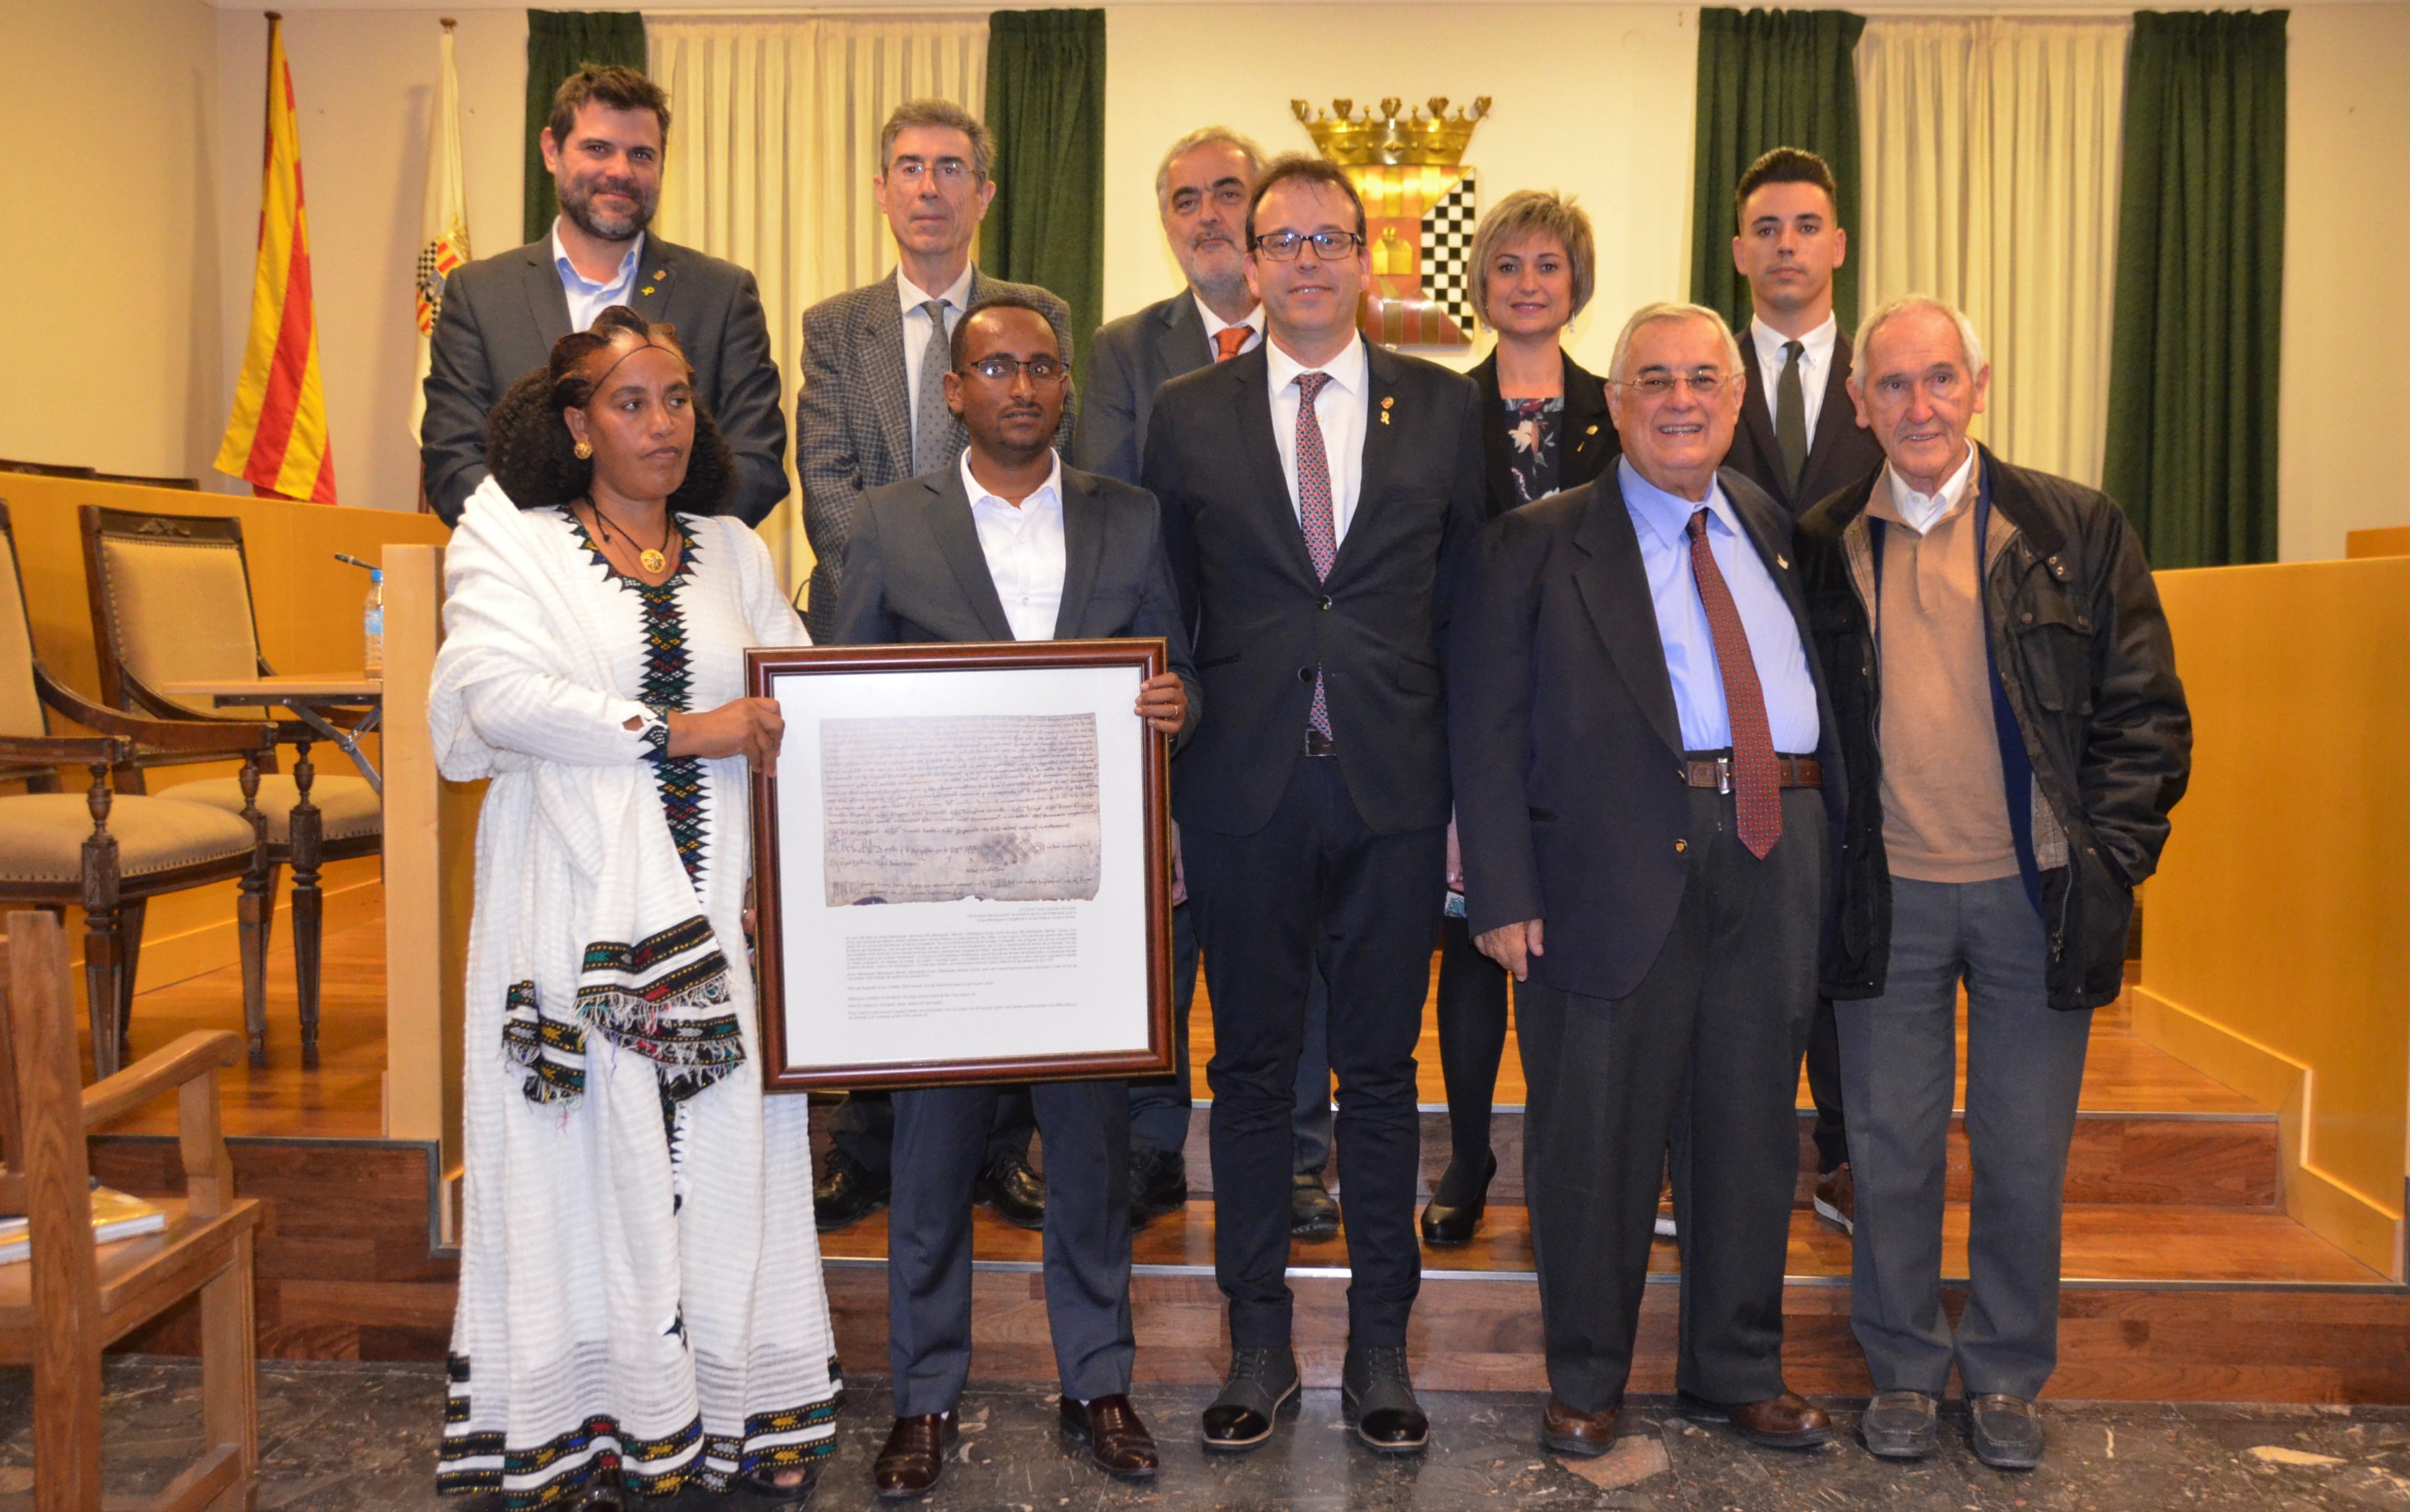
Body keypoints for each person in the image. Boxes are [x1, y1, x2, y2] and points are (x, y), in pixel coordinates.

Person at [431, 306, 833, 1508]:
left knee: (713, 1145)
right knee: (581, 1143)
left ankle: (723, 1407)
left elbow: (797, 693)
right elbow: (490, 692)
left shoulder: (734, 548)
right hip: (564, 904)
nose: (661, 424)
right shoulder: (511, 534)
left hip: (716, 910)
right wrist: (670, 731)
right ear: (574, 421)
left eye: (676, 399)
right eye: (629, 401)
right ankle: (579, 1421)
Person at [1798, 296, 2189, 1470]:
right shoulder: (1818, 544)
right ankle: (1907, 1371)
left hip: (2037, 897)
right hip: (1888, 899)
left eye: (1938, 377)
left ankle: (2010, 1371)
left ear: (1978, 383)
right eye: (1891, 384)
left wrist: (2107, 859)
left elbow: (2144, 717)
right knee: (1891, 1147)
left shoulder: (2073, 526)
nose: (1916, 404)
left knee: (2024, 1153)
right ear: (1858, 403)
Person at [1451, 301, 1840, 1460]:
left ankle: (1735, 1366)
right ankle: (1585, 1377)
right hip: (1598, 869)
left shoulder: (1769, 524)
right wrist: (1500, 890)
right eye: (1653, 379)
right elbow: (1483, 725)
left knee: (1745, 1129)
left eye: (1702, 380)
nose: (1680, 400)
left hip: (1771, 848)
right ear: (1612, 405)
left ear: (1732, 401)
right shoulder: (1534, 539)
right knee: (1593, 1137)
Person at [1143, 152, 1485, 1457]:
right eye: (1277, 238)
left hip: (1397, 789)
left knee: (1381, 1074)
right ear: (1244, 255)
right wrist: (1167, 793)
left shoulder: (1439, 409)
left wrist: (1467, 798)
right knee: (1247, 1071)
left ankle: (1384, 1351)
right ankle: (1261, 1344)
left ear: (1365, 255)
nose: (1302, 259)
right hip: (1241, 790)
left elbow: (1473, 613)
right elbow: (1163, 606)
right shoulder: (1187, 411)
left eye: (1327, 238)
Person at [832, 295, 1197, 1498]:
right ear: (954, 389)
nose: (1023, 386)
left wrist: (1172, 705)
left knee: (1085, 1158)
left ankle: (1097, 1377)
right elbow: (837, 699)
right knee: (930, 1163)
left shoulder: (1129, 519)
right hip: (939, 911)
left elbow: (1173, 674)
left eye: (1042, 366)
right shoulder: (885, 525)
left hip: (1081, 906)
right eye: (996, 366)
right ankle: (922, 1397)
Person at [799, 98, 1072, 1232]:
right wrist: (904, 591)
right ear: (881, 188)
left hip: (1015, 649)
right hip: (880, 650)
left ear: (983, 193)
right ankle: (870, 1135)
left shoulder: (1036, 314)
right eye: (906, 166)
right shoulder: (836, 324)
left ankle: (1004, 1138)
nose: (927, 187)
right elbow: (825, 478)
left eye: (951, 168)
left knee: (1001, 888)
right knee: (884, 891)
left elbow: (1052, 460)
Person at [1070, 124, 1339, 1241]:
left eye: (1229, 194)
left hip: (1301, 694)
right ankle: (1148, 1142)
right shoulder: (1127, 351)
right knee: (1161, 924)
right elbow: (1120, 519)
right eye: (1185, 199)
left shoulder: (1327, 354)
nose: (1208, 215)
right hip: (1170, 681)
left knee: (1296, 935)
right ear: (1166, 220)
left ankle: (1300, 1152)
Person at [1422, 189, 1618, 1250]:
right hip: (1472, 705)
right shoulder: (1436, 411)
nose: (1529, 282)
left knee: (1571, 939)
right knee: (1469, 939)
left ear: (1576, 284)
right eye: (1509, 265)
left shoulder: (1618, 404)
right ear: (1480, 281)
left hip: (1589, 712)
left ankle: (1559, 1155)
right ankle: (1464, 1153)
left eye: (1549, 264)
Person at [1723, 145, 1889, 1235]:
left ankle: (1843, 1148)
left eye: (1805, 225)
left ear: (1838, 244)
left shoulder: (1887, 378)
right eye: (1766, 227)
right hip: (1725, 701)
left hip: (1865, 691)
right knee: (1730, 932)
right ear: (1739, 251)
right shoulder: (1698, 371)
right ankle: (1717, 1145)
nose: (1786, 245)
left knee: (1847, 914)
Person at [421, 65, 788, 528]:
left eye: (641, 154)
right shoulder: (480, 294)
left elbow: (757, 463)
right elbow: (453, 459)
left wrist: (656, 552)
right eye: (598, 148)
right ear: (552, 150)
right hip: (524, 582)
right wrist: (559, 554)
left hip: (680, 583)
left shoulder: (722, 294)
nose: (621, 171)